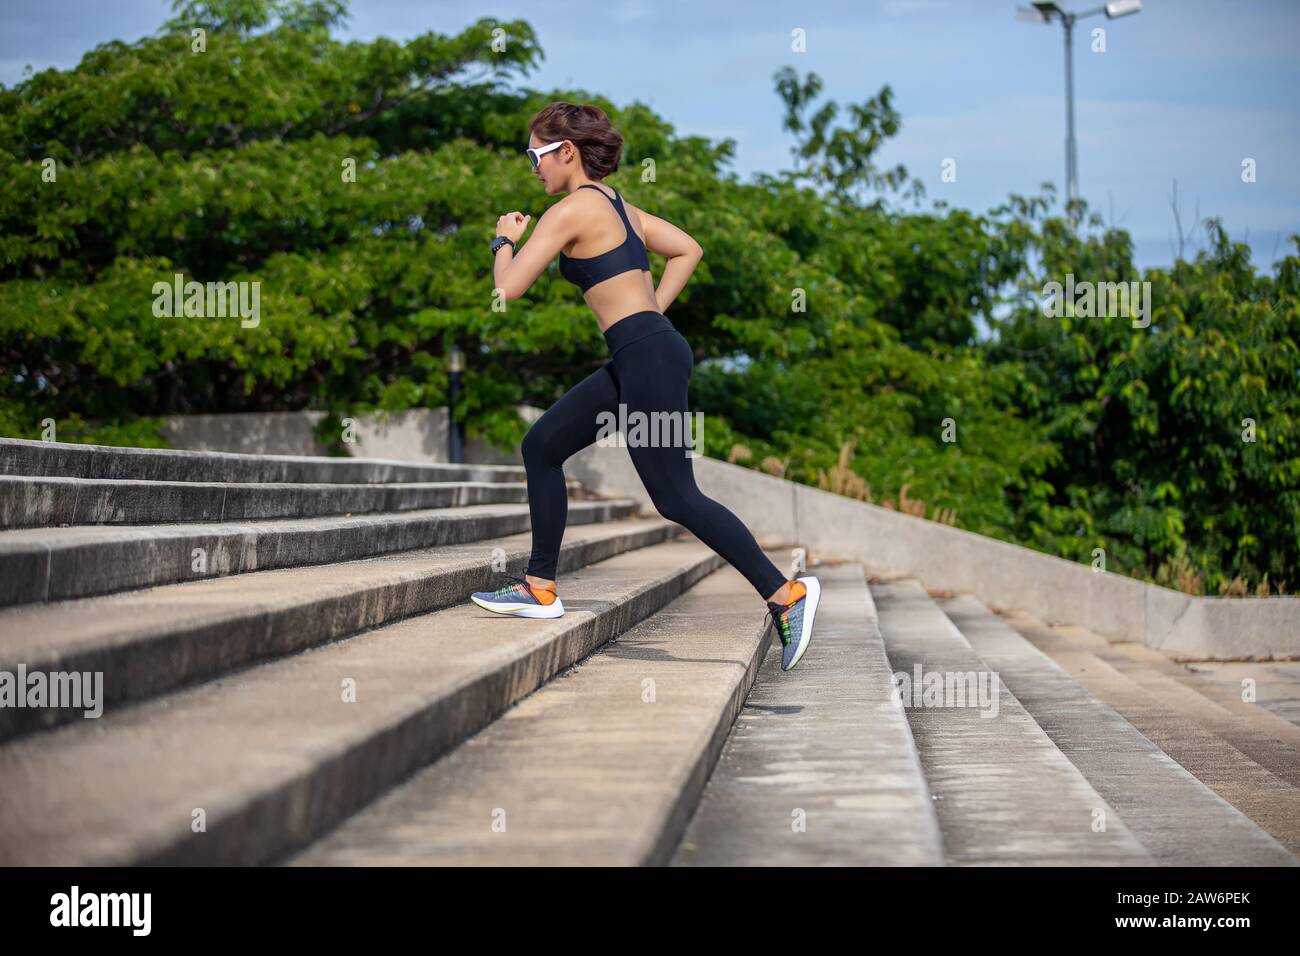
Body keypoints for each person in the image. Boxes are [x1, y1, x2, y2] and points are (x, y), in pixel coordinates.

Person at [470, 102, 819, 671]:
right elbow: (688, 249)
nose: (531, 168)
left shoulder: (570, 208)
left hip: (645, 355)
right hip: (643, 353)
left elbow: (506, 290)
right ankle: (539, 586)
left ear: (566, 153)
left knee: (676, 496)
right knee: (542, 446)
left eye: (534, 155)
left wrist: (503, 239)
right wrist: (651, 315)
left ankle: (786, 596)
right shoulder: (618, 206)